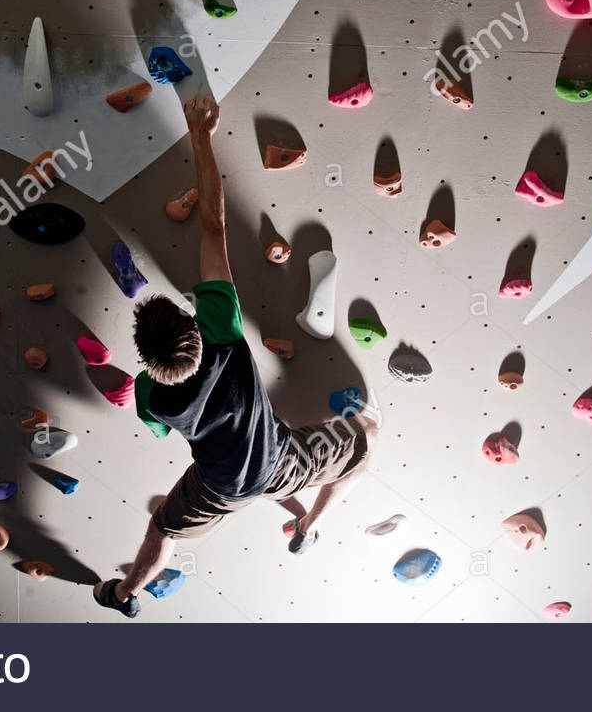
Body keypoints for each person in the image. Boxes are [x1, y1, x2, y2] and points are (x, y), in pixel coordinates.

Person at [93, 96, 379, 618]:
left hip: (217, 485)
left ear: (148, 360)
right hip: (278, 461)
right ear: (192, 325)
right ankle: (306, 527)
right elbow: (213, 227)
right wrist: (201, 135)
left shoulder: (150, 394)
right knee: (364, 445)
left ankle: (124, 595)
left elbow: (160, 430)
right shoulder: (221, 327)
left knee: (163, 529)